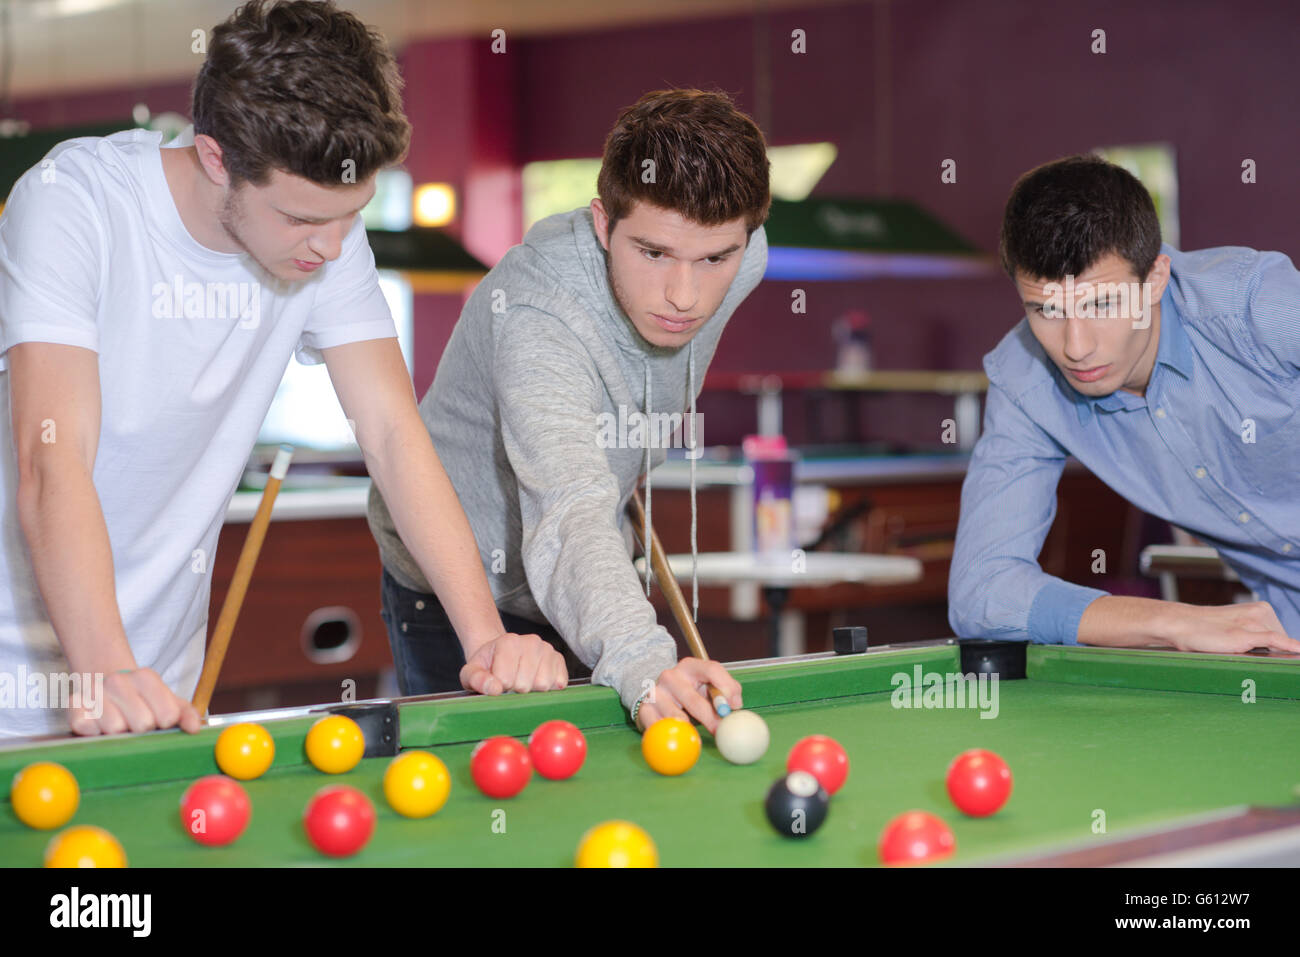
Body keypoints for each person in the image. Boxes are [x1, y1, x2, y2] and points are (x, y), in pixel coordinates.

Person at [0, 0, 559, 738]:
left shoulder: (327, 240)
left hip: (152, 684)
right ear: (214, 158)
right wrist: (104, 664)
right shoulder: (73, 204)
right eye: (300, 219)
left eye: (349, 216)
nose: (329, 249)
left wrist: (484, 638)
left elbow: (393, 434)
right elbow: (52, 454)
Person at [368, 89, 771, 732]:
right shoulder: (538, 315)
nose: (684, 296)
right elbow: (569, 507)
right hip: (457, 582)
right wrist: (641, 658)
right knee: (486, 808)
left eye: (715, 258)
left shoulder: (746, 256)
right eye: (654, 253)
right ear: (603, 224)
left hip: (586, 578)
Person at [949, 154, 1300, 654]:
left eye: (1103, 304)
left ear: (1155, 279)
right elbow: (981, 591)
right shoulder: (1024, 382)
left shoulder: (1255, 304)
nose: (1076, 346)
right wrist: (1171, 623)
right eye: (1046, 310)